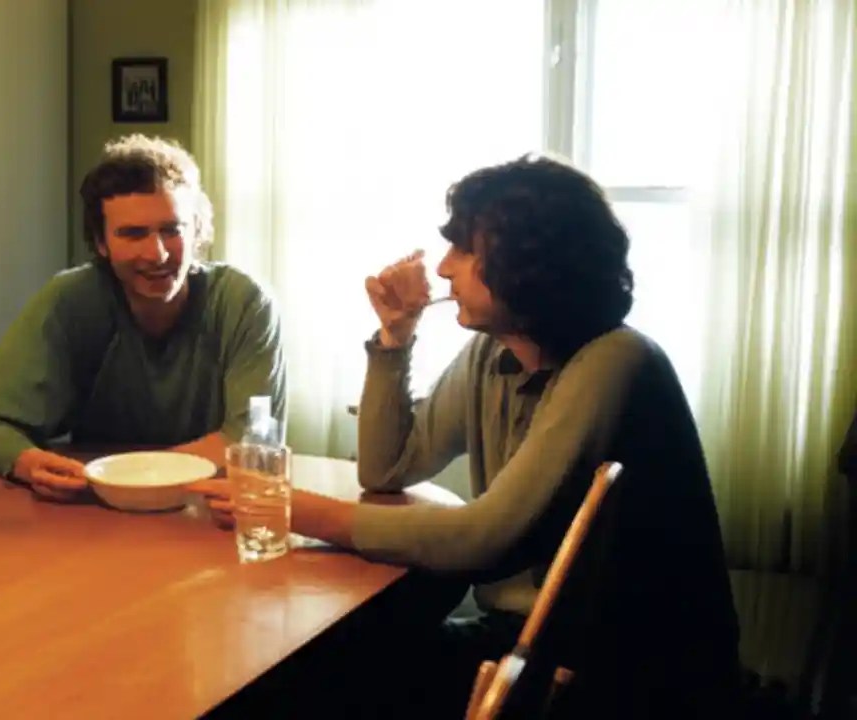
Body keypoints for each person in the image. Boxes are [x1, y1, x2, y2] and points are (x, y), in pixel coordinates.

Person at [192, 155, 740, 716]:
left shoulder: (617, 360)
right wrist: (395, 337)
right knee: (322, 662)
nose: (445, 268)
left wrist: (287, 508)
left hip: (624, 675)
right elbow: (387, 467)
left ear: (529, 262)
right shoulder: (494, 351)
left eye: (464, 250)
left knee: (317, 676)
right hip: (525, 641)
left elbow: (483, 537)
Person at [0, 135, 285, 500]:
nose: (157, 253)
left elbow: (251, 441)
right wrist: (29, 462)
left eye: (172, 230)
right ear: (101, 243)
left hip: (208, 510)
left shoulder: (244, 303)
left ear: (197, 231)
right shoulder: (71, 300)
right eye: (133, 234)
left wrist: (139, 478)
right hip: (94, 511)